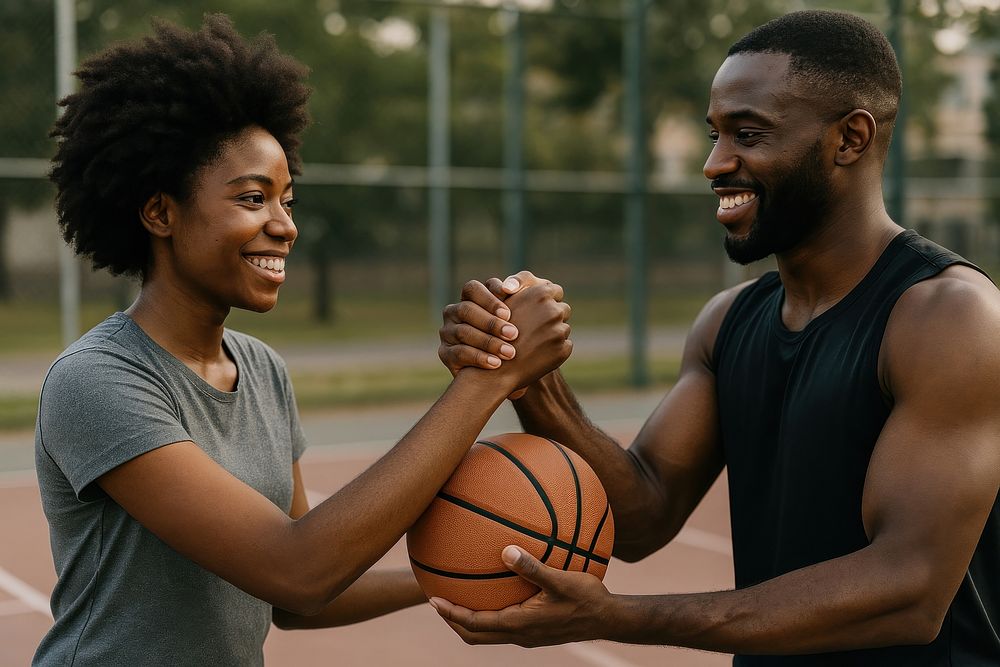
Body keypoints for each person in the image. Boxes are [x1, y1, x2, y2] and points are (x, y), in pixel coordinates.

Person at [434, 10, 1000, 665]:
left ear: (849, 138)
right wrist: (530, 381)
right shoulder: (728, 322)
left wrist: (623, 617)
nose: (714, 163)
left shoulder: (949, 318)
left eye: (748, 134)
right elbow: (643, 513)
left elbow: (910, 588)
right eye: (714, 134)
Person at [35, 14, 571, 666]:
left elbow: (295, 601)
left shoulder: (261, 370)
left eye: (289, 199)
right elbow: (297, 568)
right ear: (161, 213)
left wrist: (469, 574)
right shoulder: (97, 380)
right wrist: (488, 379)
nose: (285, 225)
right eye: (254, 197)